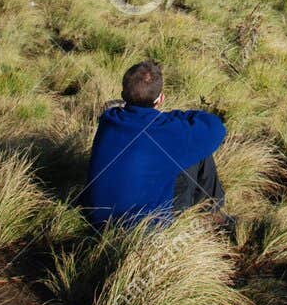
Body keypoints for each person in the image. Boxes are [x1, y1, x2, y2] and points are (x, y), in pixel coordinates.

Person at [83, 60, 228, 228]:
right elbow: (215, 127)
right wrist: (174, 115)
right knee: (198, 152)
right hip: (143, 228)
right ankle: (212, 210)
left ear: (123, 95)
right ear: (160, 99)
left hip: (96, 217)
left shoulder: (109, 119)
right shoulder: (167, 130)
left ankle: (211, 208)